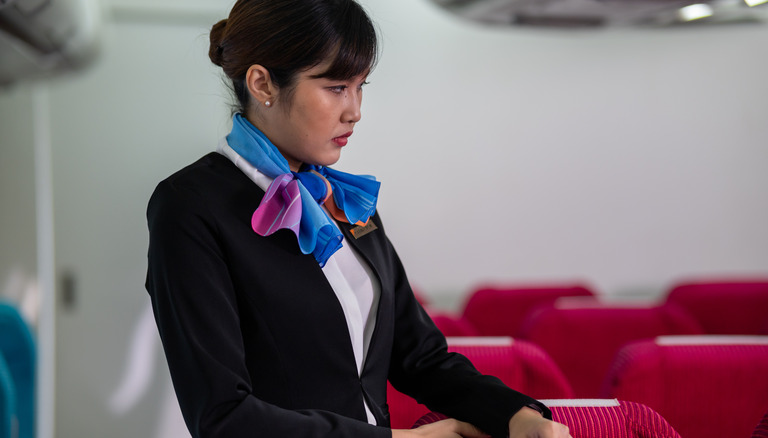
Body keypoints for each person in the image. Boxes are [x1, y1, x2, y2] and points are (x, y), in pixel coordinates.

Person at [145, 1, 572, 437]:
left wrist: (518, 416)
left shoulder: (343, 200)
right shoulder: (189, 207)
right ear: (262, 84)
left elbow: (421, 358)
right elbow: (223, 418)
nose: (355, 111)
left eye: (360, 86)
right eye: (336, 87)